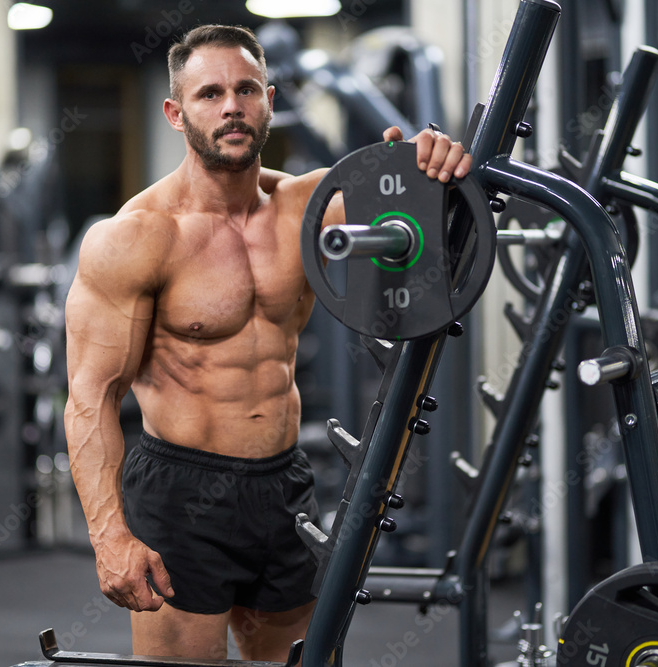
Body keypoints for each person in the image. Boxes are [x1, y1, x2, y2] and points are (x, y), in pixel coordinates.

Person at [63, 24, 472, 663]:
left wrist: (432, 162)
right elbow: (90, 395)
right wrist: (108, 535)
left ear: (270, 100)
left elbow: (434, 208)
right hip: (181, 490)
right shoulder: (138, 236)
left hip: (285, 484)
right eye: (210, 93)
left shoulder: (306, 206)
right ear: (176, 113)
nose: (231, 105)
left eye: (246, 89)